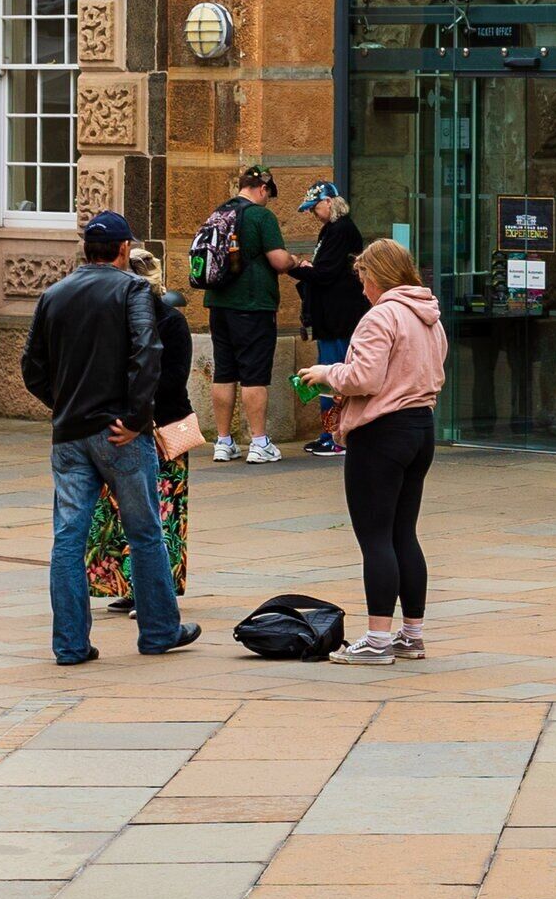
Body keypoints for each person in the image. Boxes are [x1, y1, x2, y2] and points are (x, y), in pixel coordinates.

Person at [19, 211, 198, 664]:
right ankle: (159, 630)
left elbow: (31, 368)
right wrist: (137, 418)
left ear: (87, 250)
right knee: (144, 532)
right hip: (119, 433)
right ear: (122, 250)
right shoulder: (132, 289)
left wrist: (61, 406)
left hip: (70, 433)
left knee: (68, 539)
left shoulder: (53, 294)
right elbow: (147, 353)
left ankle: (70, 644)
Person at [295, 237, 445, 666]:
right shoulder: (430, 315)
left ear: (376, 275)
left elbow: (364, 377)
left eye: (363, 277)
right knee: (404, 534)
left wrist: (325, 373)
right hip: (420, 428)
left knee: (375, 538)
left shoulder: (381, 316)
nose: (361, 288)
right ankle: (410, 635)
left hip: (380, 433)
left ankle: (378, 642)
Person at [89, 242, 197, 618]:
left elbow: (171, 380)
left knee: (160, 513)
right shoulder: (115, 319)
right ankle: (133, 588)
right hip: (125, 428)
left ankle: (155, 592)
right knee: (124, 513)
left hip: (161, 428)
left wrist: (136, 414)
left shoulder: (169, 320)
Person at [201, 165, 296, 465]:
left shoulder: (219, 212)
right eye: (269, 193)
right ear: (263, 188)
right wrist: (295, 261)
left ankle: (223, 441)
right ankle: (258, 442)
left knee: (225, 371)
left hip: (219, 303)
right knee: (254, 374)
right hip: (253, 305)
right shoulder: (261, 216)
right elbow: (278, 261)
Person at [293, 181, 368, 458]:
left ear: (329, 202)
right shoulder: (332, 230)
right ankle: (330, 433)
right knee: (327, 373)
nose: (314, 213)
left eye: (315, 207)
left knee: (332, 375)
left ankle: (335, 436)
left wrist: (294, 268)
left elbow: (326, 274)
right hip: (330, 317)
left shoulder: (341, 229)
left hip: (339, 318)